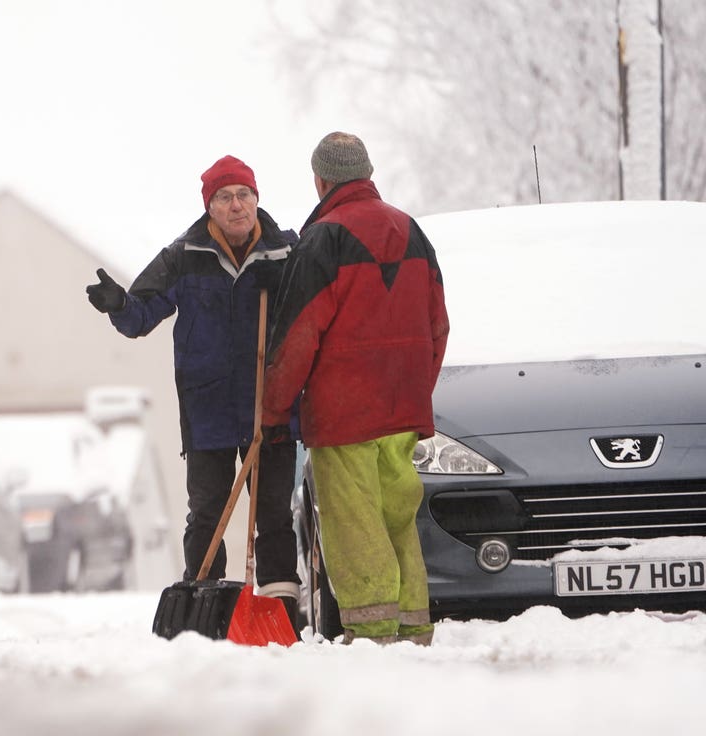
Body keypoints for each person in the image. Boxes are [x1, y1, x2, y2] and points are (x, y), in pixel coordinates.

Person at [85, 155, 303, 625]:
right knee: (207, 511)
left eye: (244, 194)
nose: (236, 205)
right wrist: (118, 304)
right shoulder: (185, 255)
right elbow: (141, 314)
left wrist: (286, 282)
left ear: (256, 198)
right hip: (209, 408)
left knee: (273, 514)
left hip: (273, 403)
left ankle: (282, 608)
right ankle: (205, 604)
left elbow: (315, 309)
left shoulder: (287, 250)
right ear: (210, 207)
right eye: (224, 197)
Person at [261, 131, 449, 645]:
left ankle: (373, 631)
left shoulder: (324, 238)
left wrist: (274, 408)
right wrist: (415, 392)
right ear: (367, 174)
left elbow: (298, 335)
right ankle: (413, 626)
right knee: (396, 517)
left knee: (354, 521)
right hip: (401, 411)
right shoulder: (411, 231)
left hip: (344, 414)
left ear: (321, 180)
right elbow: (439, 327)